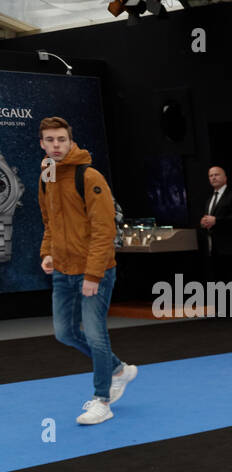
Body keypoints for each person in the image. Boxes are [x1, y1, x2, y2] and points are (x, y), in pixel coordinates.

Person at [37, 116, 136, 426]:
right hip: (63, 272)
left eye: (61, 140)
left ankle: (102, 400)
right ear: (42, 143)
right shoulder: (47, 176)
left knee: (95, 335)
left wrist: (93, 276)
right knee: (65, 333)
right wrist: (48, 252)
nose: (56, 145)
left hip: (95, 271)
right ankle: (119, 369)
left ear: (70, 141)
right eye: (50, 140)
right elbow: (50, 221)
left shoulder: (89, 176)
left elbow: (104, 229)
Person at [199, 165, 232, 283]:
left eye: (216, 175)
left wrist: (216, 221)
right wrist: (204, 222)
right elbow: (210, 219)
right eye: (211, 175)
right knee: (219, 281)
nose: (213, 178)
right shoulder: (209, 199)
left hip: (231, 249)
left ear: (225, 178)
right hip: (214, 249)